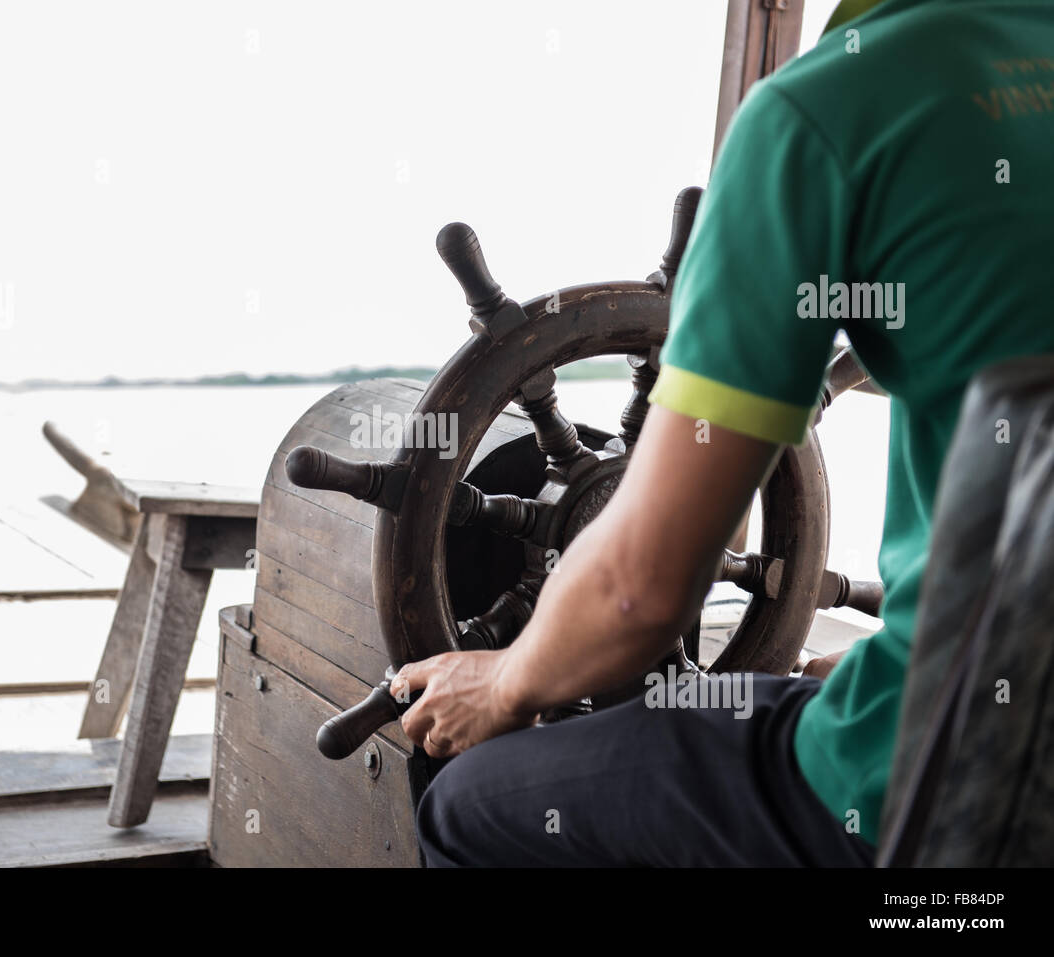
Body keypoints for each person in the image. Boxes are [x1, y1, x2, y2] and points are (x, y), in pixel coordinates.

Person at [391, 0, 1054, 866]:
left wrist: (505, 680)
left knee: (468, 806)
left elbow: (639, 592)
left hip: (948, 803)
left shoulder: (831, 111)